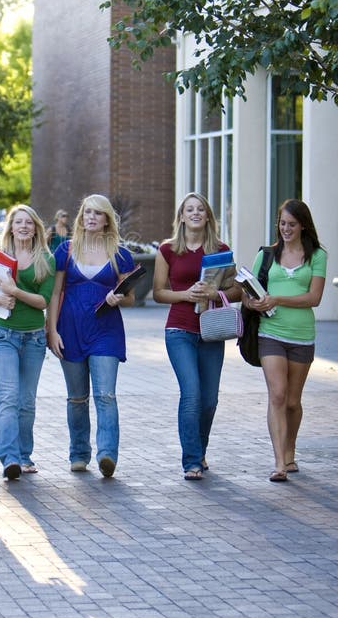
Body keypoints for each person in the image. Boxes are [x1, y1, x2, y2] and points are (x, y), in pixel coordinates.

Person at [153, 192, 242, 481]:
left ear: (207, 216)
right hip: (179, 330)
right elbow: (158, 292)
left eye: (200, 209)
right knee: (191, 394)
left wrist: (214, 293)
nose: (195, 213)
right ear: (181, 216)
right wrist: (186, 294)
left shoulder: (220, 249)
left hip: (212, 330)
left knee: (209, 400)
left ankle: (200, 451)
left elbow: (236, 290)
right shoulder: (167, 250)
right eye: (189, 209)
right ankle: (191, 460)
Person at [47, 194, 135, 477]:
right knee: (77, 398)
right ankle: (79, 453)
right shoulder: (66, 251)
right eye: (87, 213)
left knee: (105, 395)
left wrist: (118, 298)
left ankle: (107, 454)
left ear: (107, 219)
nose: (91, 217)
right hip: (70, 330)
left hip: (105, 331)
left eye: (97, 213)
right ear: (81, 217)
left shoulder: (119, 254)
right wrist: (52, 330)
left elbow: (131, 296)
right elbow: (56, 292)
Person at [244, 199, 326, 482]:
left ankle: (290, 451)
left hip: (302, 335)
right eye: (282, 224)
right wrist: (254, 303)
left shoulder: (317, 256)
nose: (286, 229)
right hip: (270, 333)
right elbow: (248, 292)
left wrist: (277, 298)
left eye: (292, 224)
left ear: (303, 225)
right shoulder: (266, 255)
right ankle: (279, 462)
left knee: (292, 401)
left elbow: (314, 298)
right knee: (277, 395)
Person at [0, 205, 55, 479]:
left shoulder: (46, 259)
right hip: (4, 337)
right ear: (10, 227)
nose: (24, 226)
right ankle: (9, 458)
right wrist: (0, 298)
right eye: (18, 222)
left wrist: (14, 290)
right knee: (9, 397)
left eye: (29, 223)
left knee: (27, 401)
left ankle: (24, 455)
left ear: (36, 228)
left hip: (34, 338)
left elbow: (43, 301)